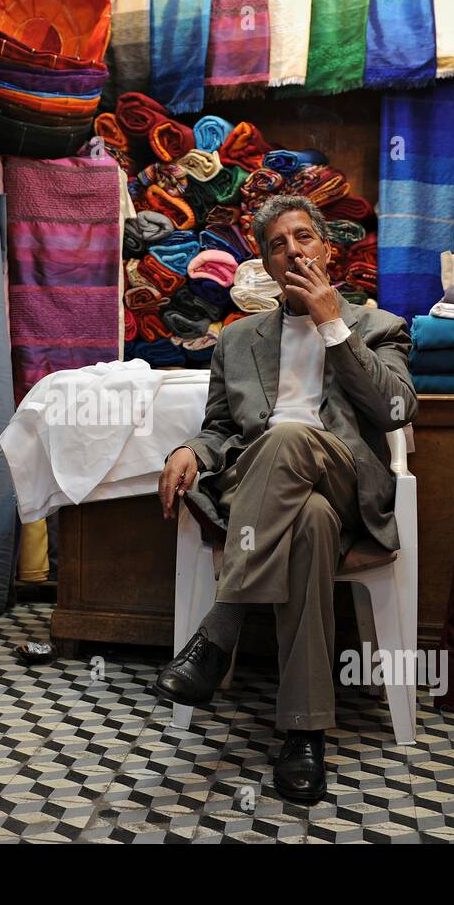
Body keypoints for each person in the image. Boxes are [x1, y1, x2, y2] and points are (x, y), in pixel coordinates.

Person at [152, 195, 417, 803]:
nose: (293, 250)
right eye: (278, 243)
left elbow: (395, 410)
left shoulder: (379, 326)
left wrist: (333, 325)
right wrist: (191, 449)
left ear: (327, 248)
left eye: (304, 237)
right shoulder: (237, 339)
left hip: (347, 481)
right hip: (271, 495)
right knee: (310, 525)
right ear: (267, 265)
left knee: (295, 437)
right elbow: (221, 427)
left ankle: (220, 628)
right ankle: (303, 733)